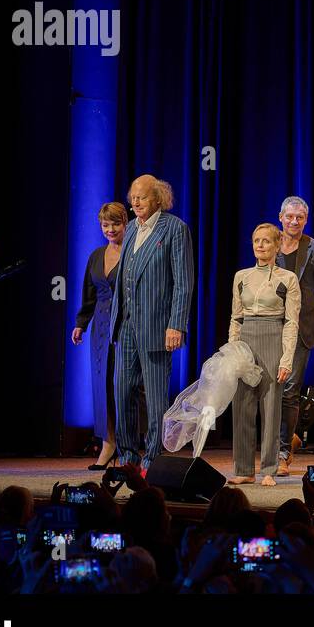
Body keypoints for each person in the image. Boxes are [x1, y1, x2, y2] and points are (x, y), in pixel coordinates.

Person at [110, 174, 195, 472]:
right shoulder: (131, 228)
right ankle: (128, 455)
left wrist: (176, 324)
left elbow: (183, 282)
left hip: (158, 326)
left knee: (157, 395)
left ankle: (153, 458)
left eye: (142, 196)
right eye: (132, 196)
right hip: (127, 325)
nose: (135, 202)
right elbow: (125, 278)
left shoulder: (174, 229)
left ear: (158, 198)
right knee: (122, 389)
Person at [227, 223, 300, 487]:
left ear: (277, 245)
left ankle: (269, 468)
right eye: (256, 240)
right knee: (242, 406)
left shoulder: (287, 278)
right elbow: (236, 318)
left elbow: (292, 322)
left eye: (266, 241)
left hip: (273, 337)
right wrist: (232, 351)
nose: (260, 245)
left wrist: (286, 358)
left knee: (270, 407)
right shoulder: (241, 276)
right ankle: (244, 468)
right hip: (247, 339)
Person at [273, 195, 314, 475]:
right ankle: (278, 442)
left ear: (305, 220)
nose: (294, 221)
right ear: (280, 217)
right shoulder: (269, 243)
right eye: (290, 216)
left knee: (289, 390)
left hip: (300, 330)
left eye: (300, 217)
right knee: (268, 389)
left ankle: (283, 451)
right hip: (269, 326)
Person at [72, 202, 127, 470]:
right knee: (102, 385)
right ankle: (108, 442)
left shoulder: (133, 252)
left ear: (125, 224)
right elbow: (89, 293)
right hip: (101, 329)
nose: (110, 229)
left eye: (115, 224)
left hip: (127, 325)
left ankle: (129, 445)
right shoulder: (96, 255)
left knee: (124, 386)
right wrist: (81, 323)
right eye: (106, 225)